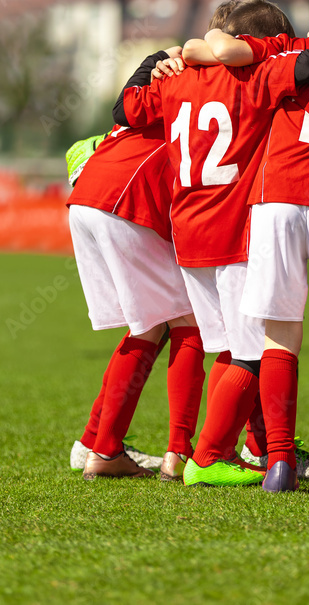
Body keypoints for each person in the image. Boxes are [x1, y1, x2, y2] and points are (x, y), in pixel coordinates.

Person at [116, 0, 309, 487]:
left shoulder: (180, 78)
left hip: (188, 229)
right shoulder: (252, 74)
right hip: (234, 227)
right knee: (255, 351)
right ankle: (209, 456)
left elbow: (125, 110)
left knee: (231, 350)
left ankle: (221, 451)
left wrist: (155, 62)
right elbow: (304, 68)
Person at [66, 115, 204, 481]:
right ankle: (178, 451)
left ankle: (101, 446)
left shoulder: (153, 80)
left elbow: (125, 106)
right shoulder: (210, 83)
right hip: (125, 198)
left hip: (86, 198)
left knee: (147, 327)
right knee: (189, 323)